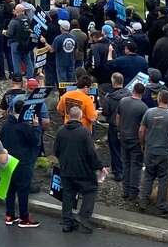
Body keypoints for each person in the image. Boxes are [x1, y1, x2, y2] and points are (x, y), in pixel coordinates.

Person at [53, 104, 105, 233]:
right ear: (81, 116)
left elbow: (56, 150)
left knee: (68, 194)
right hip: (82, 170)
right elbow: (91, 153)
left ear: (68, 116)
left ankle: (67, 222)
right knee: (90, 191)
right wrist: (99, 167)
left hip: (66, 169)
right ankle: (83, 216)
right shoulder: (84, 132)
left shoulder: (61, 131)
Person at [139, 89, 168, 214]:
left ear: (158, 99)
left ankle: (143, 201)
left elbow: (141, 131)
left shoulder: (149, 112)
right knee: (163, 178)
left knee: (148, 176)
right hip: (164, 151)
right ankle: (161, 204)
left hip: (150, 149)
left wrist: (142, 144)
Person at [0, 101, 39, 229]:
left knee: (10, 189)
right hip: (23, 163)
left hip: (8, 161)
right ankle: (24, 217)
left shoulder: (5, 126)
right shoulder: (24, 127)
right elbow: (34, 142)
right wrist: (36, 127)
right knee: (23, 191)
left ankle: (10, 215)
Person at [117, 82, 148, 203]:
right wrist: (143, 142)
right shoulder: (143, 107)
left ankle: (125, 191)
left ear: (133, 89)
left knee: (125, 163)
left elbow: (118, 118)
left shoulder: (123, 101)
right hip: (135, 140)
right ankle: (133, 192)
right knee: (136, 166)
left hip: (124, 137)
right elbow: (142, 128)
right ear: (142, 93)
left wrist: (119, 130)